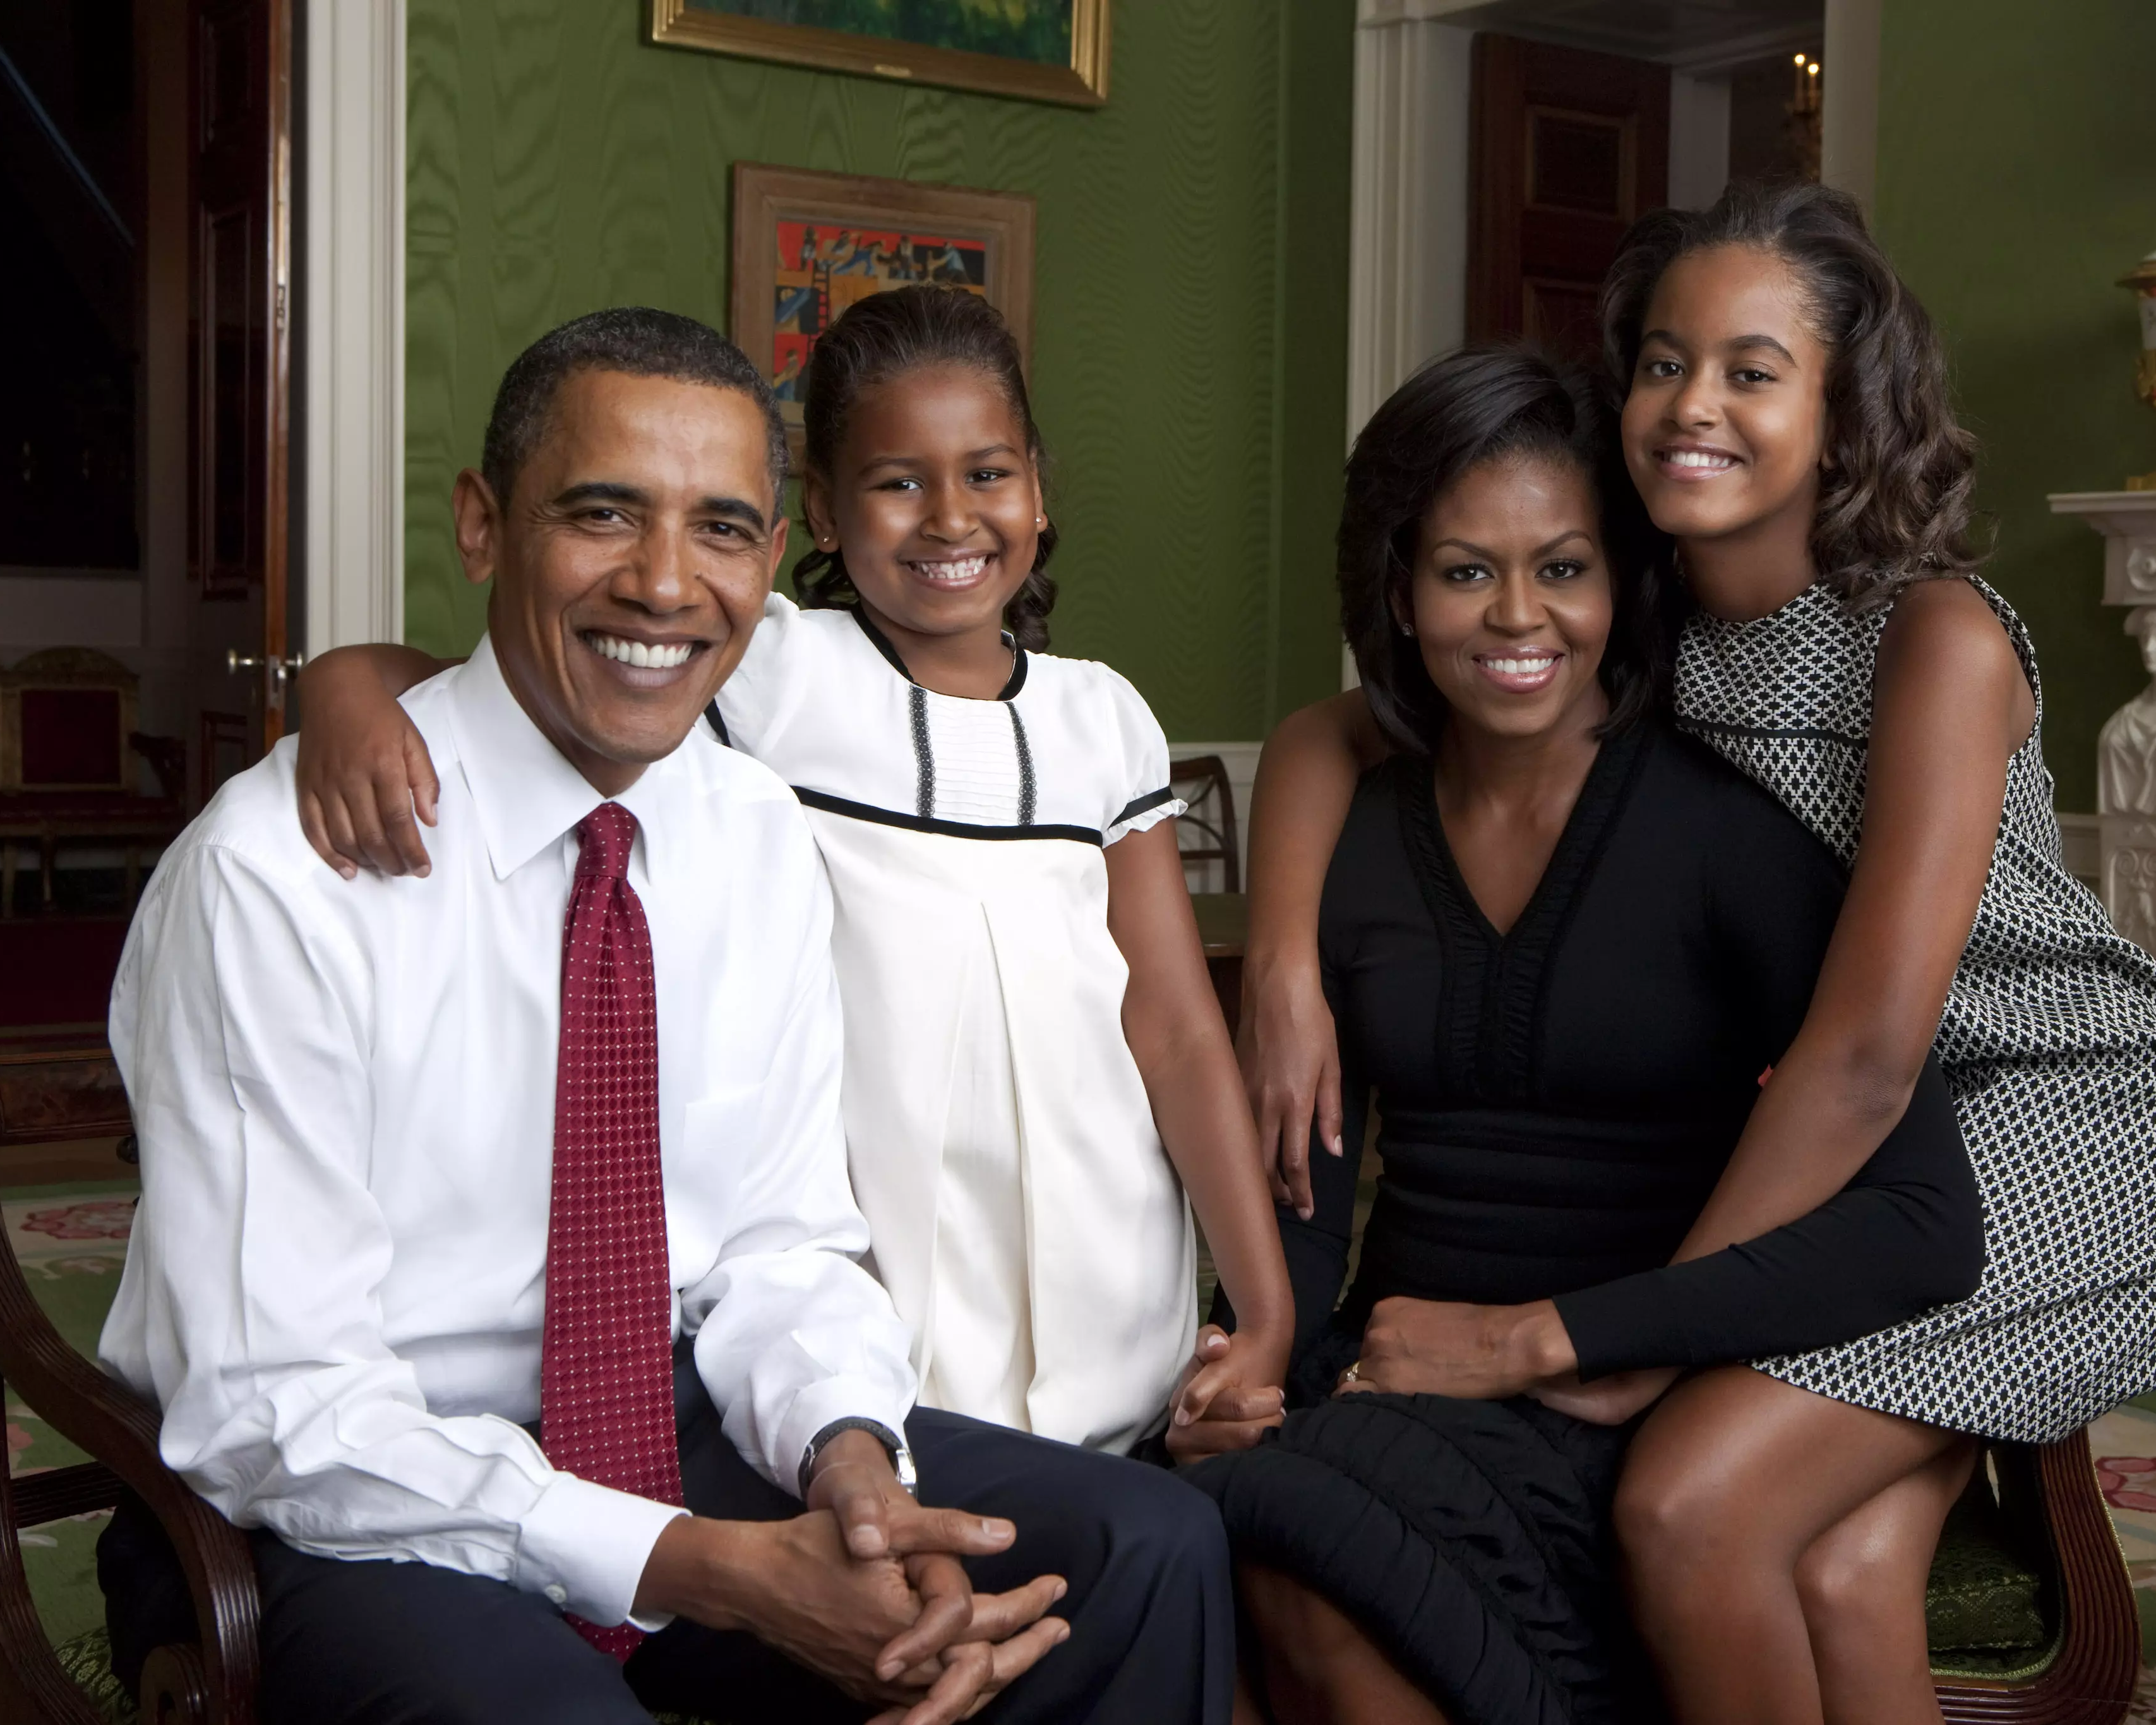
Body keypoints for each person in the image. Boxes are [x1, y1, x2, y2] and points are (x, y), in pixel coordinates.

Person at [96, 306, 1234, 1725]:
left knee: (1146, 1550)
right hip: (331, 1500)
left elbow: (780, 1246)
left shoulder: (750, 830)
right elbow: (277, 1410)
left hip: (663, 1426)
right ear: (481, 525)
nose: (662, 583)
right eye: (601, 514)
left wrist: (849, 1467)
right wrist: (720, 1572)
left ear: (770, 558)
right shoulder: (278, 875)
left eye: (719, 530)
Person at [1240, 183, 2156, 1723]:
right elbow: (1332, 731)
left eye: (1750, 371)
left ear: (1843, 413)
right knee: (1842, 1573)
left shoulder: (1932, 639)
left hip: (2046, 1122)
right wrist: (1286, 962)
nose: (1690, 405)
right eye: (1658, 362)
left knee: (1686, 1499)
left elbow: (1862, 1057)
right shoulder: (1644, 611)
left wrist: (1637, 1335)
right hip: (1871, 1140)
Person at [292, 285, 1292, 1465]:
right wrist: (340, 687)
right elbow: (516, 683)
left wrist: (1264, 1312)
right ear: (817, 509)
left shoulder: (1103, 719)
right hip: (882, 1278)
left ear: (1038, 489)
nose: (949, 519)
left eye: (987, 474)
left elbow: (1173, 1028)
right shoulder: (773, 668)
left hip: (1108, 1248)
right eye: (897, 482)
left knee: (1130, 1546)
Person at [1182, 344, 1984, 1725]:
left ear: (1618, 587)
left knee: (1303, 1552)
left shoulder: (1726, 832)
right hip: (1400, 1366)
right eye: (1460, 571)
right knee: (1226, 1519)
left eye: (1561, 568)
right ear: (1395, 590)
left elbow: (1918, 1221)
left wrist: (1567, 1343)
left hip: (1625, 1391)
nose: (1515, 618)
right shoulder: (1359, 835)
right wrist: (1243, 1353)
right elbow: (1305, 1182)